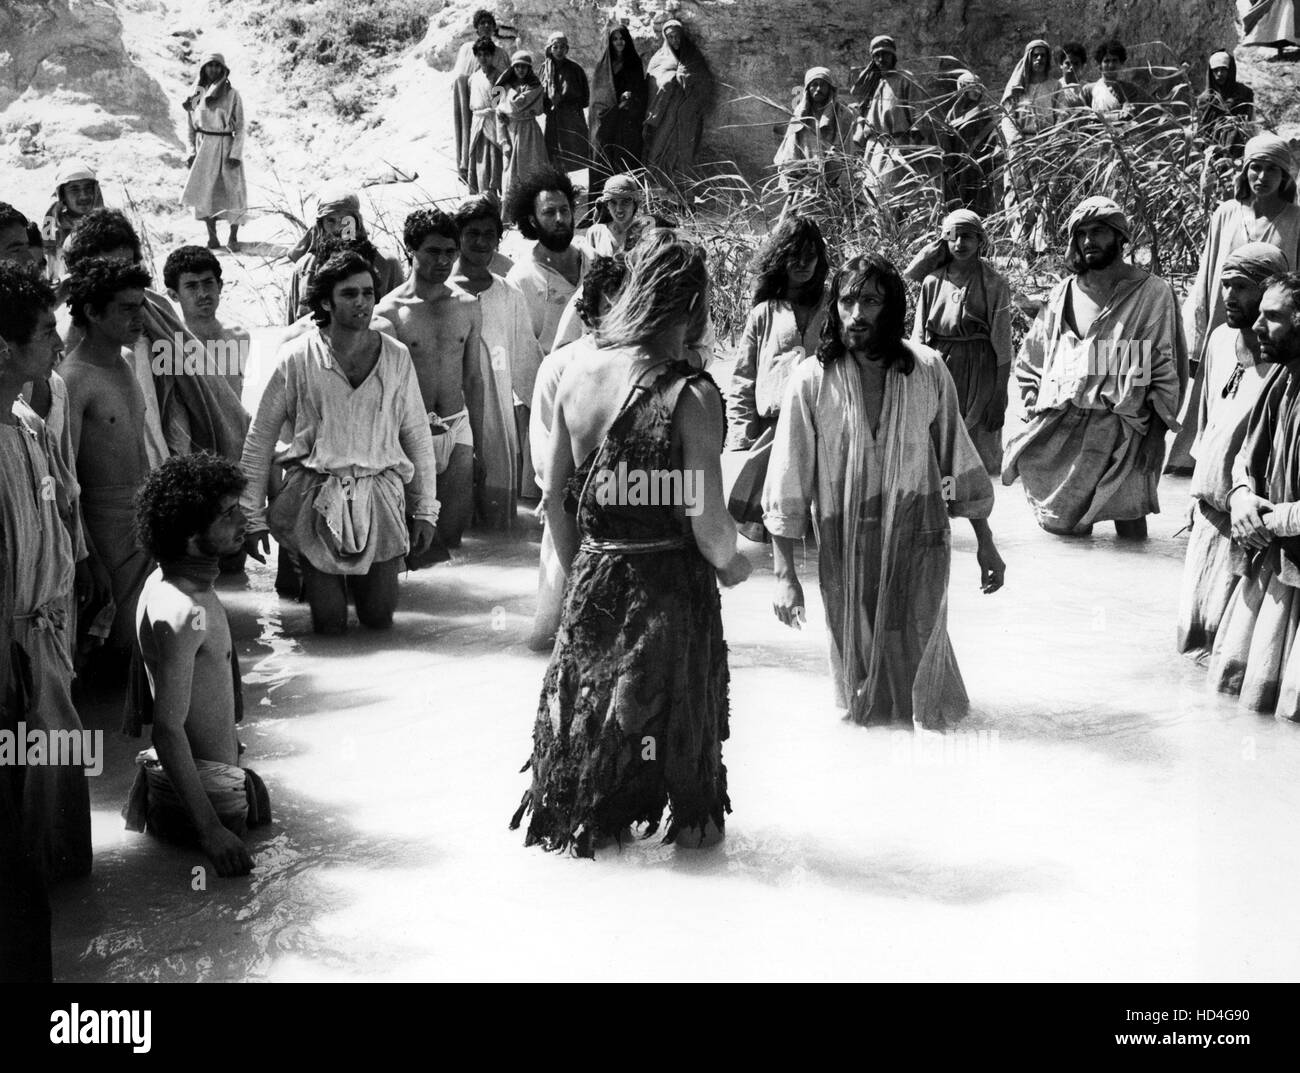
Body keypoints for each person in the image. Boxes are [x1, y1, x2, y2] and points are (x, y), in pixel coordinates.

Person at [510, 229, 752, 855]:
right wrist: (737, 564)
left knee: (592, 774)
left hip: (592, 584)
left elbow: (555, 504)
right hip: (669, 600)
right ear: (695, 308)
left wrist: (583, 583)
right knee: (689, 784)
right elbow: (710, 528)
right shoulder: (692, 395)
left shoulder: (575, 373)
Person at [764, 254, 1005, 728]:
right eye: (847, 300)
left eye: (870, 301)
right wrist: (784, 574)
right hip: (846, 544)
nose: (856, 314)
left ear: (891, 307)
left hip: (921, 537)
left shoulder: (928, 369)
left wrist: (986, 543)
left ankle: (928, 760)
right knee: (858, 686)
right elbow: (788, 481)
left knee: (921, 659)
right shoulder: (811, 381)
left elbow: (958, 459)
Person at [240, 251, 440, 634]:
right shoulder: (297, 357)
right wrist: (251, 517)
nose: (362, 302)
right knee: (328, 624)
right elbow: (259, 440)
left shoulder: (395, 357)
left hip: (380, 492)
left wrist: (426, 509)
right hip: (317, 495)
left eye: (367, 293)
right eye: (350, 294)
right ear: (326, 302)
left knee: (379, 618)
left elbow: (415, 435)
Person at [1002, 197, 1184, 538]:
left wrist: (1156, 437)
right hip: (1063, 426)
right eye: (1081, 233)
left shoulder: (1152, 294)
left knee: (1131, 531)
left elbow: (1163, 369)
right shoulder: (1062, 294)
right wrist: (1033, 413)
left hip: (1126, 427)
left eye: (1098, 231)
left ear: (1119, 237)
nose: (1088, 241)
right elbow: (1031, 361)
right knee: (1064, 533)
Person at [124, 453, 269, 877]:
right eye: (228, 514)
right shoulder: (188, 610)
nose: (243, 520)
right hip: (207, 796)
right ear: (190, 536)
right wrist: (210, 830)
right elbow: (167, 730)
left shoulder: (163, 582)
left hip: (194, 786)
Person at [0, 263, 93, 885]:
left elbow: (60, 512)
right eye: (44, 333)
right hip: (11, 646)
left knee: (56, 777)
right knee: (18, 798)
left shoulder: (30, 422)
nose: (58, 344)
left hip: (49, 633)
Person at [62, 209, 248, 469]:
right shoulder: (66, 334)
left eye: (126, 266)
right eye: (107, 269)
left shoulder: (154, 313)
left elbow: (183, 390)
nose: (120, 278)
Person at [1177, 242, 1288, 659]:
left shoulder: (1282, 359)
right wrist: (1192, 494)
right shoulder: (1219, 340)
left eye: (1241, 287)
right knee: (1191, 639)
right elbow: (1205, 423)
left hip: (1247, 521)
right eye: (1225, 286)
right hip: (1206, 512)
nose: (1229, 297)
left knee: (1228, 648)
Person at [1168, 133, 1300, 471]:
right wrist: (1196, 338)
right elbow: (1206, 277)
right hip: (1225, 321)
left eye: (1272, 169)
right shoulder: (1226, 213)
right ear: (1244, 171)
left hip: (1272, 325)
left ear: (1285, 176)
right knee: (1216, 398)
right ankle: (1197, 467)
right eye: (1255, 167)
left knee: (1268, 394)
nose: (1262, 176)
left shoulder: (1296, 218)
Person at [527, 254, 628, 651]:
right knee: (549, 633)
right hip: (568, 508)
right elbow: (543, 447)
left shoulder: (644, 364)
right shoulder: (559, 366)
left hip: (629, 504)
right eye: (610, 305)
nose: (620, 315)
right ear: (589, 309)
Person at [1210, 273, 1300, 715]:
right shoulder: (1282, 381)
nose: (1258, 327)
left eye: (1273, 317)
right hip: (1273, 562)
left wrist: (1271, 519)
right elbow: (1245, 459)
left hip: (1287, 552)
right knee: (1243, 703)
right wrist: (1243, 497)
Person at [60, 258, 155, 660]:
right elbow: (66, 480)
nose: (140, 318)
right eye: (127, 309)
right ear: (93, 313)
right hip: (102, 528)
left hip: (142, 520)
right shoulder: (73, 378)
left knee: (143, 647)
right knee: (107, 647)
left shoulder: (127, 361)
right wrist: (89, 559)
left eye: (141, 306)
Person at [374, 210, 483, 556]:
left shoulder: (467, 306)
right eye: (433, 251)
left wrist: (478, 442)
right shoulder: (388, 312)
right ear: (411, 249)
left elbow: (473, 378)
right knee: (414, 546)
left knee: (452, 539)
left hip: (456, 425)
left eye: (450, 252)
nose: (444, 260)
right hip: (409, 435)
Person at [725, 216, 830, 540]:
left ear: (820, 259)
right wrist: (742, 437)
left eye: (810, 255)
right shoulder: (764, 312)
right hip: (773, 430)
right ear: (779, 257)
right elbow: (744, 378)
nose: (802, 263)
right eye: (793, 255)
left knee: (823, 528)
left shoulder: (837, 305)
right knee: (772, 525)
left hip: (825, 427)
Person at [450, 195, 540, 529]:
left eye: (489, 235)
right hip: (449, 427)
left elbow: (527, 369)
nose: (481, 242)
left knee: (497, 527)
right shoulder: (439, 294)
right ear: (457, 235)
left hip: (498, 429)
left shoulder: (508, 294)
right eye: (472, 233)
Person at [906, 210, 1014, 475]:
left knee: (976, 446)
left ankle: (973, 506)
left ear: (980, 240)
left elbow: (1002, 343)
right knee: (939, 440)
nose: (959, 243)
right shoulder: (933, 282)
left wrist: (999, 396)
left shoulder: (994, 283)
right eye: (952, 237)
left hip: (981, 370)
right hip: (941, 367)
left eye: (966, 236)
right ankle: (946, 506)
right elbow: (919, 337)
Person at [505, 167, 586, 495]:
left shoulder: (593, 260)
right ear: (533, 220)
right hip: (546, 406)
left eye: (564, 210)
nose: (559, 219)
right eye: (549, 212)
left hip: (595, 399)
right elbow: (523, 361)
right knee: (550, 502)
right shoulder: (521, 279)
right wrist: (552, 412)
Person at [286, 187, 405, 324]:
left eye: (345, 220)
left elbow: (399, 320)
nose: (338, 229)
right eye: (330, 220)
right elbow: (292, 327)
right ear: (321, 225)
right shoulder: (304, 268)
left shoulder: (387, 264)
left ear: (357, 222)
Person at [163, 244, 250, 400]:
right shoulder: (169, 343)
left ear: (220, 286)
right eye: (191, 286)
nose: (203, 293)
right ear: (174, 295)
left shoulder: (239, 336)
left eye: (208, 283)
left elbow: (239, 395)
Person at [180, 52, 247, 252]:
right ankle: (212, 237)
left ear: (224, 69)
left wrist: (235, 153)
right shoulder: (196, 94)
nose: (213, 70)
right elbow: (190, 127)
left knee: (232, 191)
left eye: (217, 66)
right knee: (205, 192)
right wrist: (191, 151)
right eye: (210, 66)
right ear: (203, 69)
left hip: (226, 146)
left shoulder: (232, 94)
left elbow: (241, 126)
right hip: (204, 149)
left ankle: (233, 237)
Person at [851, 35, 922, 212]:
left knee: (893, 193)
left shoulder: (905, 79)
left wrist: (917, 136)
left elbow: (918, 109)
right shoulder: (873, 82)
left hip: (897, 146)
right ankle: (882, 235)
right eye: (877, 55)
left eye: (886, 54)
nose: (882, 59)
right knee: (873, 192)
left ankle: (897, 235)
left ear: (893, 56)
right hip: (874, 147)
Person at [642, 18, 716, 185]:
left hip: (686, 117)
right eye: (670, 37)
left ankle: (680, 199)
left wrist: (687, 80)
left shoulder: (692, 57)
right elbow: (652, 86)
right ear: (665, 38)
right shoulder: (658, 59)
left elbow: (705, 83)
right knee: (657, 151)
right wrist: (670, 79)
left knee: (683, 156)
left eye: (677, 36)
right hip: (664, 118)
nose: (675, 40)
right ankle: (657, 194)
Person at [1000, 40, 1058, 248]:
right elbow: (1007, 117)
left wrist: (1052, 141)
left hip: (1046, 146)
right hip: (1020, 146)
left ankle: (1039, 243)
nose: (1039, 59)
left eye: (1043, 55)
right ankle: (1020, 241)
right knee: (1018, 193)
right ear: (1028, 59)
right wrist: (1018, 142)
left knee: (1043, 193)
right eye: (1035, 55)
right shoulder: (1017, 89)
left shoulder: (1054, 86)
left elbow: (1061, 115)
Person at [447, 9, 512, 185]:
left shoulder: (501, 52)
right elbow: (460, 78)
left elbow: (506, 79)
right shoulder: (467, 49)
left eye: (489, 23)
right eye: (482, 23)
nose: (486, 26)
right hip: (471, 101)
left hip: (494, 103)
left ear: (494, 27)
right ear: (476, 27)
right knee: (470, 141)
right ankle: (470, 174)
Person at [775, 67, 856, 203]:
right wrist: (794, 175)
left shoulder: (843, 115)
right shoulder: (800, 115)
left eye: (823, 84)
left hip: (832, 181)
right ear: (807, 88)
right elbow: (791, 148)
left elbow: (846, 149)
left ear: (830, 88)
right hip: (804, 181)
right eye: (814, 85)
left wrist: (835, 168)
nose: (818, 89)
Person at [588, 24, 647, 197]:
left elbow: (641, 92)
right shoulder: (603, 66)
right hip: (607, 122)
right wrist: (614, 104)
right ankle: (601, 203)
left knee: (625, 161)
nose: (619, 42)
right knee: (602, 158)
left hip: (627, 121)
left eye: (622, 38)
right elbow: (597, 99)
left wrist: (630, 98)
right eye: (615, 39)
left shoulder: (634, 63)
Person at [940, 70, 999, 215]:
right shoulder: (952, 114)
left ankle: (978, 234)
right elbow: (946, 142)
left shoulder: (983, 112)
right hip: (957, 165)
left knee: (977, 201)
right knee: (955, 202)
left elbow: (991, 137)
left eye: (978, 86)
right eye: (971, 86)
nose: (976, 90)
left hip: (978, 165)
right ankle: (952, 236)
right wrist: (948, 164)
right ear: (962, 88)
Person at [495, 51, 548, 209]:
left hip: (529, 132)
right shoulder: (504, 86)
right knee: (510, 170)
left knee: (533, 169)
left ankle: (536, 208)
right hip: (510, 131)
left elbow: (516, 105)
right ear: (512, 68)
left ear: (529, 68)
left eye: (524, 66)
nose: (520, 70)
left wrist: (501, 108)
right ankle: (511, 210)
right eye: (517, 66)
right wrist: (503, 140)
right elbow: (497, 111)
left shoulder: (535, 87)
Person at [40, 160, 104, 280]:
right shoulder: (50, 224)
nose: (83, 196)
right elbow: (49, 267)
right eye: (74, 189)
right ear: (63, 194)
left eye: (88, 188)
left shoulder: (109, 224)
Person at [540, 32, 590, 173]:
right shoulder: (545, 69)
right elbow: (539, 93)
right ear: (550, 49)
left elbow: (585, 96)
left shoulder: (575, 69)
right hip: (553, 118)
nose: (559, 50)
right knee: (554, 156)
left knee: (574, 155)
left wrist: (567, 101)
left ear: (567, 49)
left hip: (571, 118)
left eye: (562, 47)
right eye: (555, 47)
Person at [466, 37, 507, 199]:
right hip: (478, 123)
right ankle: (484, 195)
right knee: (480, 159)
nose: (483, 58)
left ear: (492, 56)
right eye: (480, 54)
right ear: (476, 56)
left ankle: (496, 195)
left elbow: (501, 103)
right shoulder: (473, 78)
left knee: (495, 158)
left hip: (493, 121)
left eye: (487, 54)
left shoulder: (499, 77)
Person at [1197, 51, 1256, 159]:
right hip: (1211, 154)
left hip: (1238, 152)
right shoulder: (1204, 99)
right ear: (1210, 72)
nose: (1219, 74)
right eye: (1215, 70)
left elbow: (1251, 123)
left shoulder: (1243, 94)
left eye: (1223, 69)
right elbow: (1200, 130)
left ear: (1231, 70)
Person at [583, 172, 648, 257]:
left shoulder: (645, 233)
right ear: (606, 205)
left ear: (635, 204)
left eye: (625, 202)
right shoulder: (596, 233)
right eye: (613, 202)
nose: (619, 209)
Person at [1080, 40, 1144, 119]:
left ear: (1121, 63)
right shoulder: (1088, 90)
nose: (1111, 65)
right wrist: (1117, 117)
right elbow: (1083, 117)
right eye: (1106, 61)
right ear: (1100, 65)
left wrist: (1099, 118)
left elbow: (1128, 116)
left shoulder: (1129, 89)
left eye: (1114, 60)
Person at [1054, 41, 1089, 109]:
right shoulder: (1055, 88)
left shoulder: (1087, 89)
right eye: (1068, 63)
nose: (1071, 67)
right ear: (1061, 64)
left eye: (1076, 64)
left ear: (1082, 66)